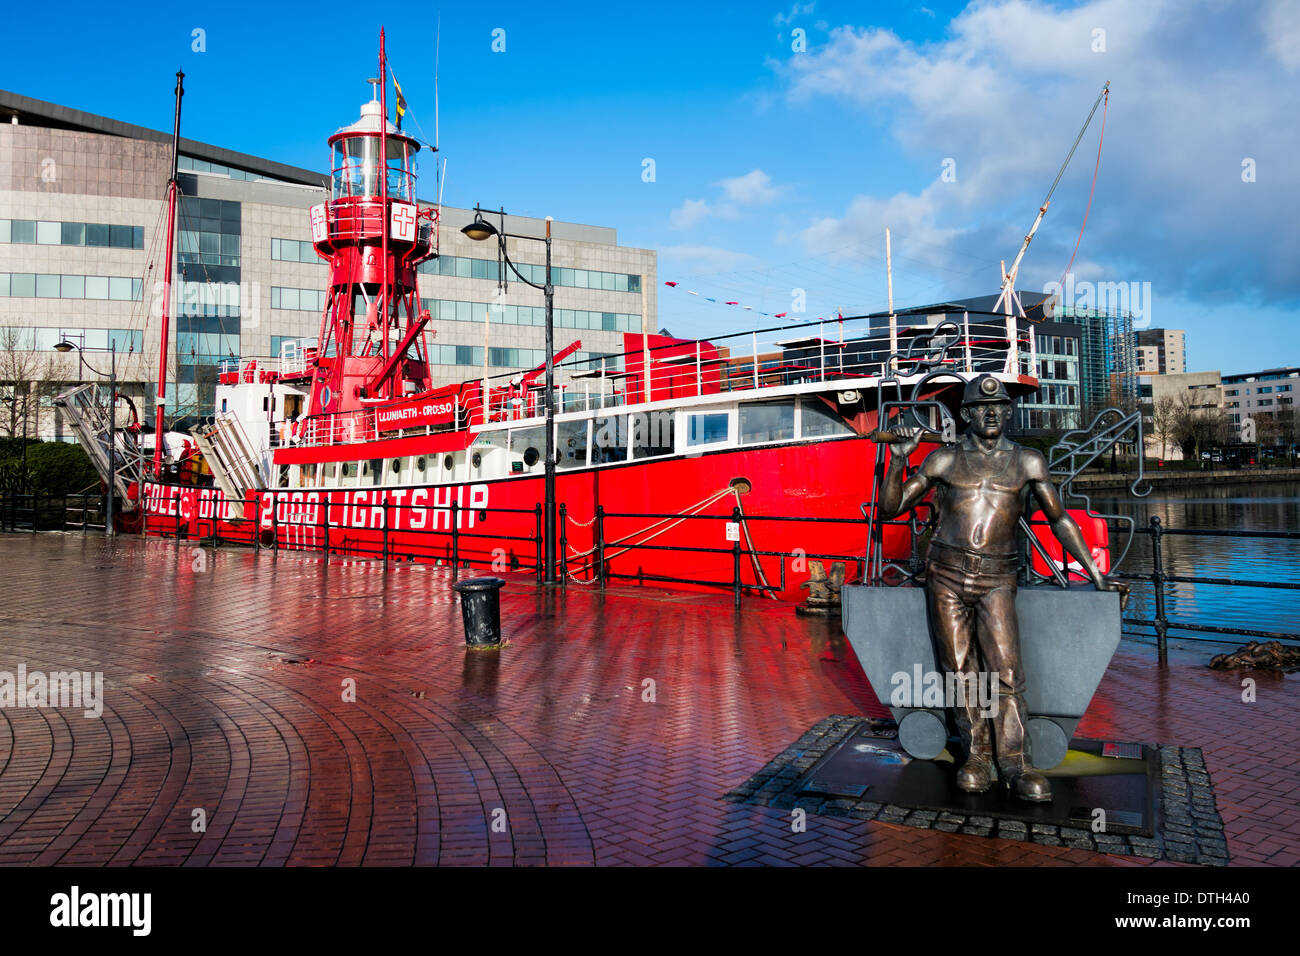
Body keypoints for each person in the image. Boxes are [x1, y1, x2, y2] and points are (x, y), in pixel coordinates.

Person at [879, 374, 1122, 802]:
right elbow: (890, 509)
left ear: (1008, 412)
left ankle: (1015, 761)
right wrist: (899, 460)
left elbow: (1060, 519)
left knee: (1007, 670)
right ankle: (976, 756)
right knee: (959, 668)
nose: (991, 413)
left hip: (998, 577)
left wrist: (1097, 575)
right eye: (980, 408)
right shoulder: (943, 460)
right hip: (947, 575)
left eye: (999, 407)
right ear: (966, 414)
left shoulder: (1028, 462)